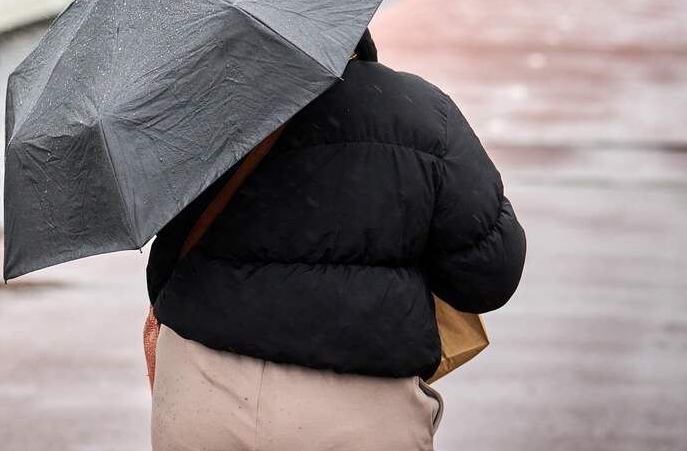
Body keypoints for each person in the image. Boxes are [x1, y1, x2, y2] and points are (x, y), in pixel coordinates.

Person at [146, 30, 526, 451]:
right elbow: (488, 275)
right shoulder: (421, 114)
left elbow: (163, 260)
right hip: (355, 413)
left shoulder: (196, 113)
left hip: (201, 397)